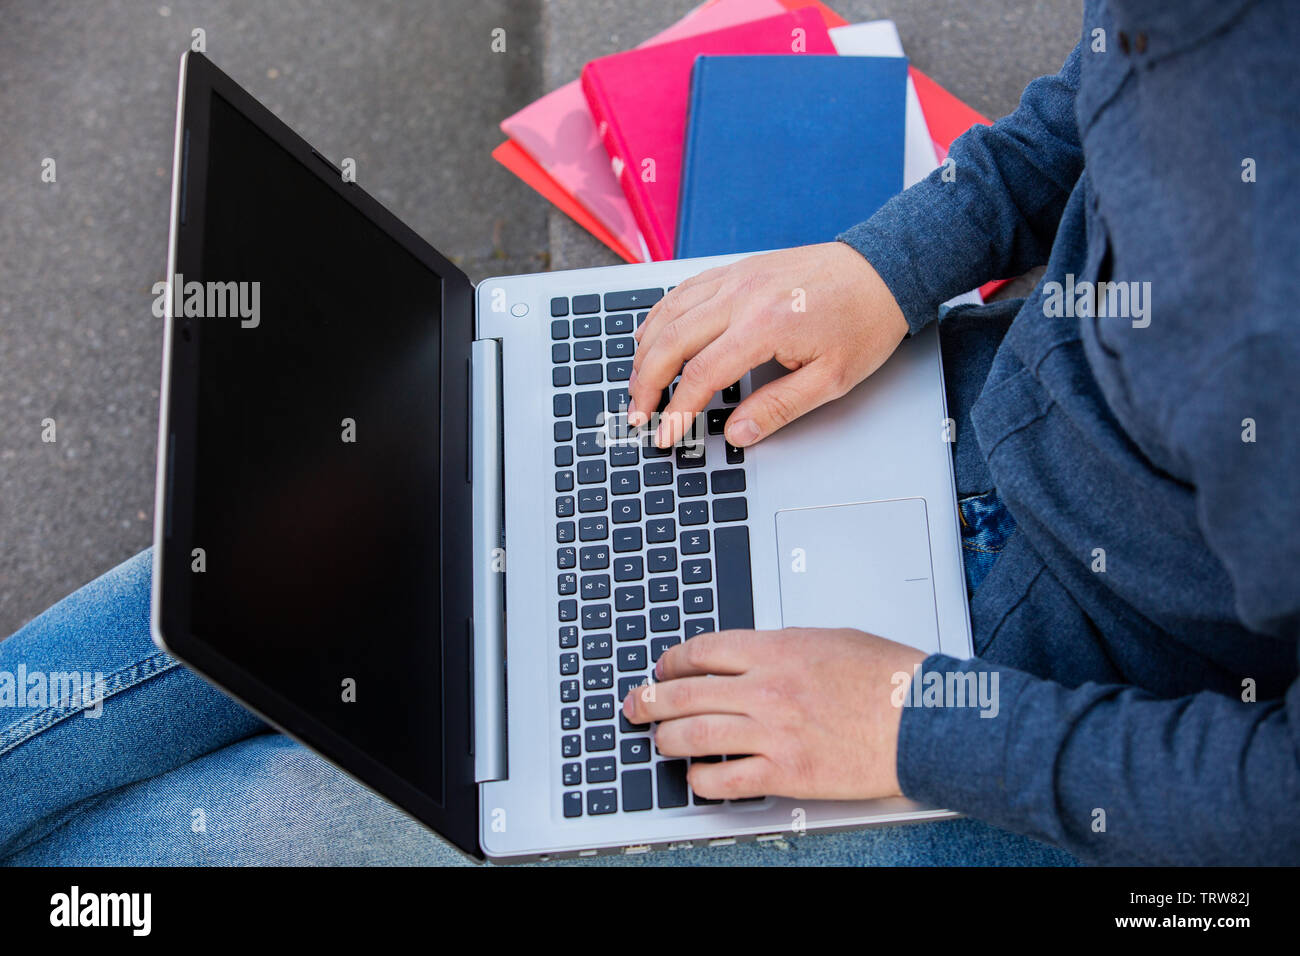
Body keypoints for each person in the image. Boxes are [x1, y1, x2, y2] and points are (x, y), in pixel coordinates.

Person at [4, 0, 1296, 865]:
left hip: (1040, 705)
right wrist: (888, 265)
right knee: (225, 581)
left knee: (210, 836)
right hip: (921, 394)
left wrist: (920, 724)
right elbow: (1102, 99)